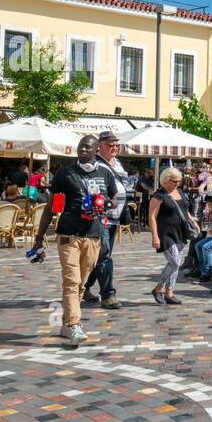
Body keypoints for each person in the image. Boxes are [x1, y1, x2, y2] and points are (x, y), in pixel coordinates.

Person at [33, 135, 120, 346]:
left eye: (87, 147)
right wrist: (39, 238)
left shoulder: (104, 173)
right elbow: (52, 207)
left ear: (96, 150)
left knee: (81, 283)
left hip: (94, 235)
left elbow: (114, 198)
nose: (82, 150)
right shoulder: (65, 173)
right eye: (80, 147)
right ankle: (74, 325)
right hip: (68, 234)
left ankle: (65, 323)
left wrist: (105, 203)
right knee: (71, 281)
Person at [83, 131, 129, 310]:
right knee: (104, 256)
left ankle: (84, 287)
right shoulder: (94, 165)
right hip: (101, 216)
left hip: (116, 216)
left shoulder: (117, 163)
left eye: (116, 144)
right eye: (110, 145)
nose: (114, 147)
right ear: (99, 146)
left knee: (101, 256)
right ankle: (108, 295)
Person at [147, 168, 200, 305]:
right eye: (174, 181)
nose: (177, 183)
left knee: (176, 263)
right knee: (175, 262)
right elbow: (152, 217)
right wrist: (155, 237)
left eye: (179, 181)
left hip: (180, 231)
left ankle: (169, 293)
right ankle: (158, 288)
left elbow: (185, 210)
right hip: (165, 233)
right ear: (165, 180)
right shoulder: (159, 195)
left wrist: (193, 222)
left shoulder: (180, 192)